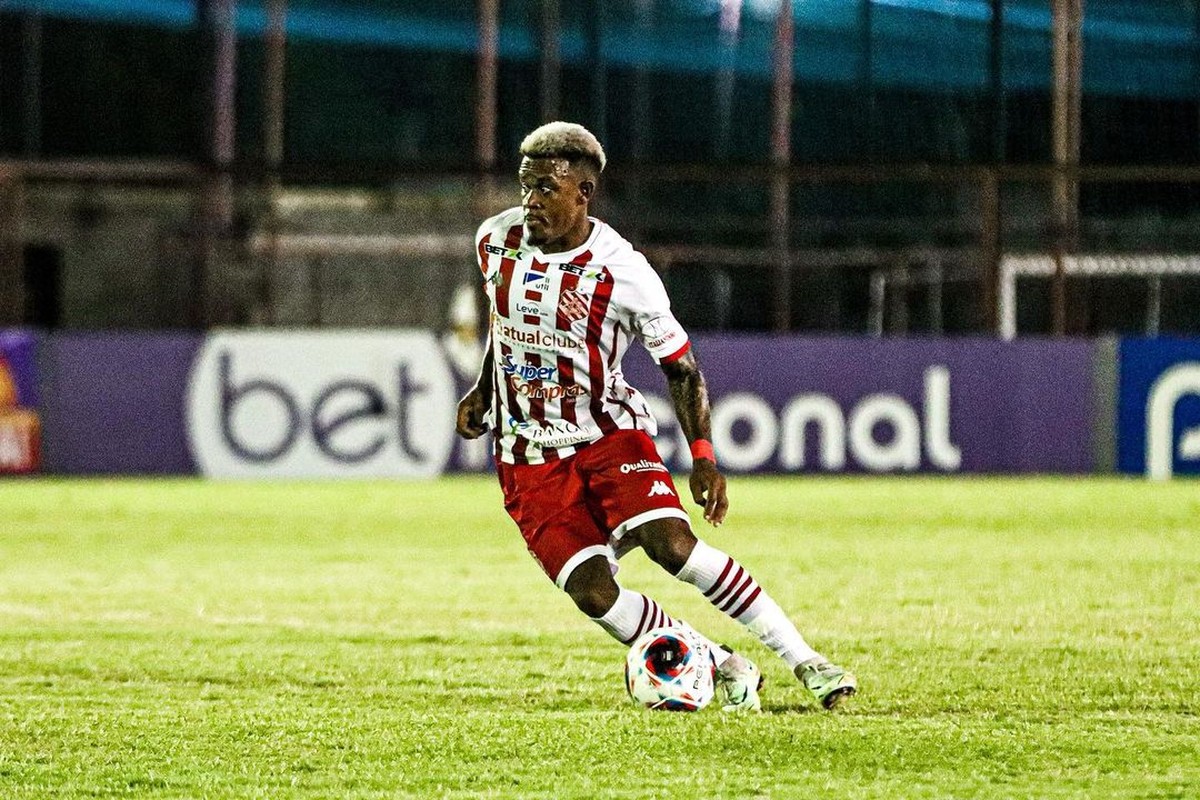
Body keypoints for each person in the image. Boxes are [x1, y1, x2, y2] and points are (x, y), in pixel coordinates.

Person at [455, 121, 856, 711]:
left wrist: (704, 458)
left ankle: (808, 662)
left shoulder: (623, 271)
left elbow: (683, 368)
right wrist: (484, 389)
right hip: (526, 457)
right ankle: (721, 663)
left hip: (606, 434)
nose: (530, 202)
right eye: (525, 187)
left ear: (583, 192)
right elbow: (507, 327)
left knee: (673, 545)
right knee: (594, 594)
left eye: (545, 188)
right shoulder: (495, 241)